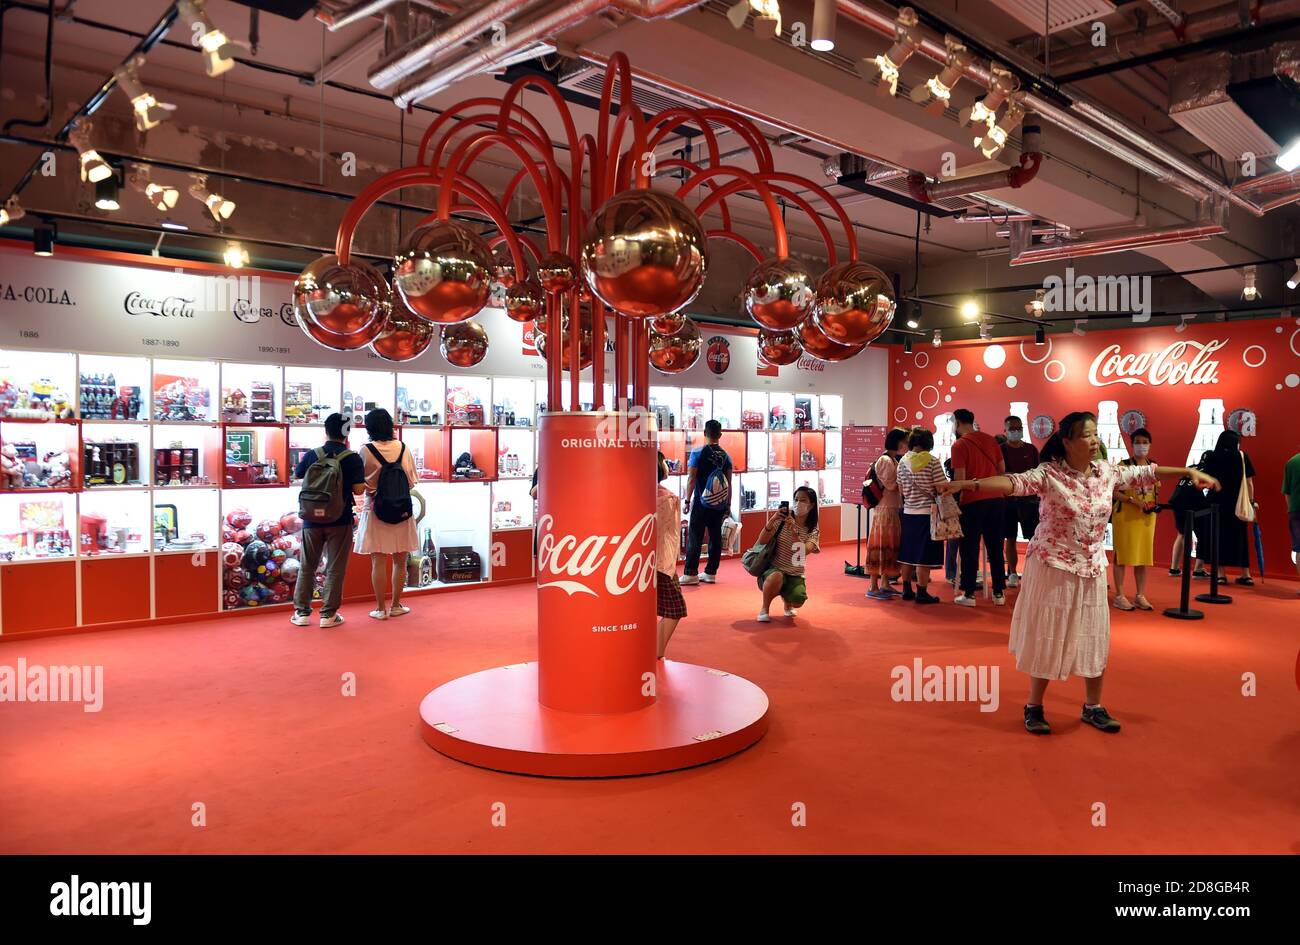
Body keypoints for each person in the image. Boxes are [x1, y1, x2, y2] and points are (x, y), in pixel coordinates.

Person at [940, 411, 1219, 735]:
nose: (1094, 439)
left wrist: (1187, 470)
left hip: (1091, 566)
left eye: (1095, 433)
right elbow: (1013, 483)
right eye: (1086, 434)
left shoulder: (1106, 472)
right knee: (1050, 634)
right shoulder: (1050, 473)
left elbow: (1147, 473)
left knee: (1094, 635)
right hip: (1053, 566)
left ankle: (1093, 706)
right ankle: (1034, 705)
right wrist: (969, 483)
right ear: (1068, 442)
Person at [291, 413, 365, 628]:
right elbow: (359, 489)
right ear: (347, 432)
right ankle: (328, 615)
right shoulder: (352, 458)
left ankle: (302, 613)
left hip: (311, 519)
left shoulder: (312, 454)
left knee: (307, 566)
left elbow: (298, 475)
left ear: (326, 430)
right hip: (339, 519)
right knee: (335, 567)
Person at [353, 408, 419, 619]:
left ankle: (380, 608)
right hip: (401, 509)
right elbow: (411, 480)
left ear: (369, 427)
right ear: (390, 425)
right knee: (400, 561)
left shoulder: (365, 450)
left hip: (376, 509)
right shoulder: (403, 447)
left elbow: (361, 484)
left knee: (378, 562)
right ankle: (397, 604)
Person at [950, 409, 1007, 607]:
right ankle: (999, 592)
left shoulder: (959, 445)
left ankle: (969, 593)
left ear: (956, 422)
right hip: (997, 499)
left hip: (972, 501)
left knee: (969, 548)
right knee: (995, 547)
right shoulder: (991, 440)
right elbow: (1002, 470)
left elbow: (959, 479)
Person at [1197, 430, 1257, 585]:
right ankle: (1246, 574)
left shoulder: (1211, 456)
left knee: (1217, 537)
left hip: (1215, 502)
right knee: (1241, 537)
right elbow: (1249, 482)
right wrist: (1251, 501)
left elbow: (1205, 480)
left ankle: (1220, 574)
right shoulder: (1242, 456)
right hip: (1237, 503)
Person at [754, 485, 820, 622]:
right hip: (774, 568)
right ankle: (764, 608)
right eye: (796, 499)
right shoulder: (783, 520)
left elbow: (804, 551)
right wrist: (773, 519)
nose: (798, 503)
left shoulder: (813, 528)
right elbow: (761, 541)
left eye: (803, 500)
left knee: (798, 599)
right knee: (776, 577)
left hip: (795, 572)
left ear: (811, 505)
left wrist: (794, 533)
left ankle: (788, 600)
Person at [1111, 428, 1159, 611]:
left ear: (1150, 444)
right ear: (1132, 445)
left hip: (1147, 517)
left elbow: (1156, 489)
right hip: (1126, 515)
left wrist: (1150, 504)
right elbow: (1113, 491)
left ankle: (1140, 595)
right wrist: (1133, 501)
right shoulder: (1123, 465)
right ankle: (1120, 595)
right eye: (1137, 442)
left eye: (1145, 442)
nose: (1141, 446)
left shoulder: (1153, 466)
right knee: (1121, 556)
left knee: (1143, 557)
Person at [681, 419, 733, 586]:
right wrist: (728, 505)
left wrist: (687, 500)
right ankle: (711, 572)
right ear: (720, 435)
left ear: (705, 433)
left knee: (695, 536)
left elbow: (691, 478)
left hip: (701, 502)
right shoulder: (727, 457)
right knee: (715, 536)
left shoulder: (697, 453)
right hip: (719, 503)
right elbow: (729, 483)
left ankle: (690, 573)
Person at [896, 427, 945, 605]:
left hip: (908, 513)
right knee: (924, 556)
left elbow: (900, 489)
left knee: (908, 553)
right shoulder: (932, 462)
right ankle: (922, 592)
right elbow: (941, 487)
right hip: (927, 514)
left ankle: (907, 589)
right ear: (928, 443)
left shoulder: (902, 462)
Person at [865, 427, 909, 600]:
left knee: (888, 547)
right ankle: (873, 585)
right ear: (897, 442)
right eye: (905, 441)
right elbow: (891, 485)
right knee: (881, 547)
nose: (906, 444)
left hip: (890, 509)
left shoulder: (891, 459)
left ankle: (884, 583)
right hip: (885, 510)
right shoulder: (885, 460)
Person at [1001, 415, 1040, 588]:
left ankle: (1033, 572)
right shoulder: (1000, 449)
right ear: (1005, 431)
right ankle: (1012, 572)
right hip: (1007, 501)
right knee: (1009, 538)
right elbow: (997, 473)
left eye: (1019, 428)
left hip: (1030, 501)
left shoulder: (1031, 449)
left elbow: (1039, 473)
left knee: (1033, 539)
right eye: (1012, 429)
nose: (1016, 431)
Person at [655, 452, 686, 657]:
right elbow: (669, 535)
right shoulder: (667, 497)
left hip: (631, 562)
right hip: (661, 563)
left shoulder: (629, 493)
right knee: (675, 608)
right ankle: (656, 652)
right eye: (664, 461)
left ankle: (654, 651)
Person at [1284, 446, 1300, 594]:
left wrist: (1291, 509)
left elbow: (1286, 491)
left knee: (1299, 548)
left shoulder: (1292, 462)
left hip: (1295, 509)